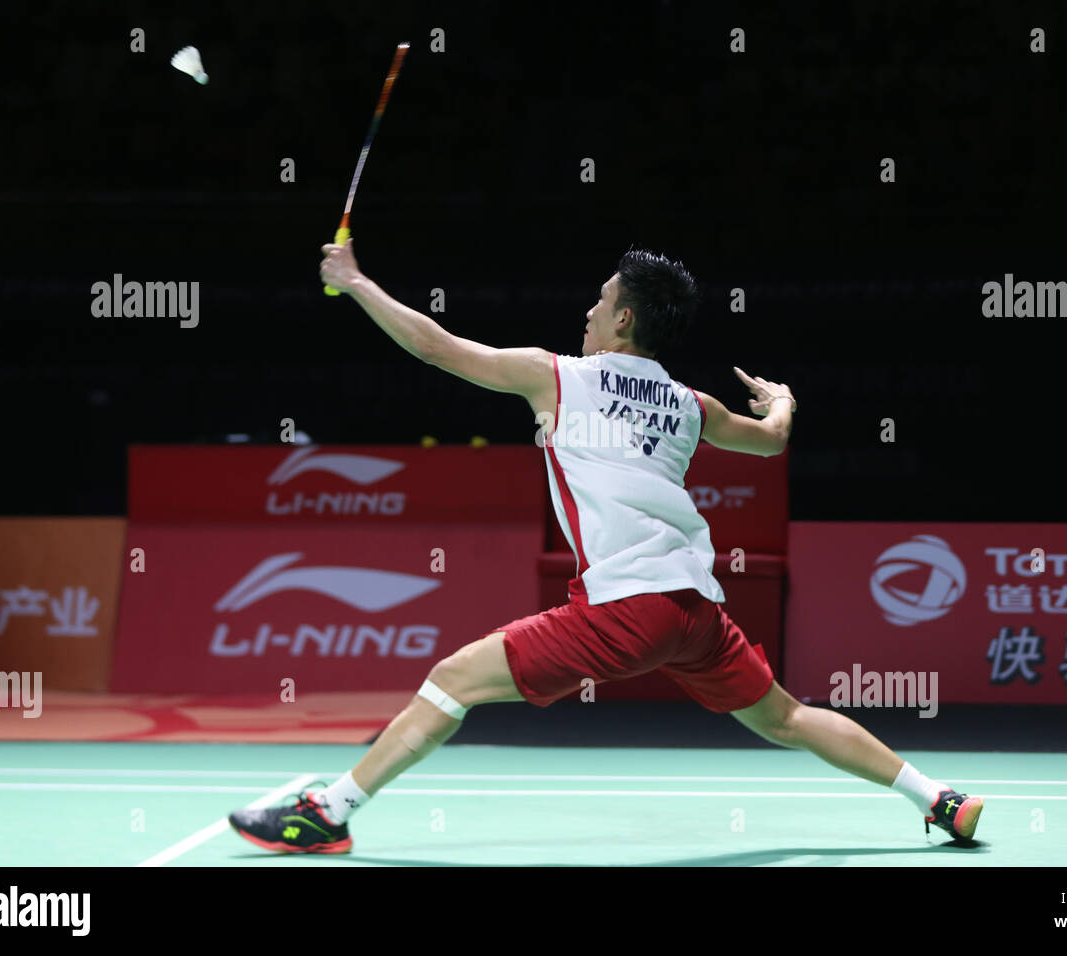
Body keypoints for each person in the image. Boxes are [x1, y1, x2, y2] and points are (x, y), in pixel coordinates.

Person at [227, 243, 983, 854]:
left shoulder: (558, 378)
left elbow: (435, 347)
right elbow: (770, 442)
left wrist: (356, 282)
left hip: (625, 606)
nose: (586, 312)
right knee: (786, 718)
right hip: (695, 610)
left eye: (599, 300)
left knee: (452, 682)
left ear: (623, 319)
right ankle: (938, 798)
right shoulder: (691, 405)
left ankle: (327, 813)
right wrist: (784, 401)